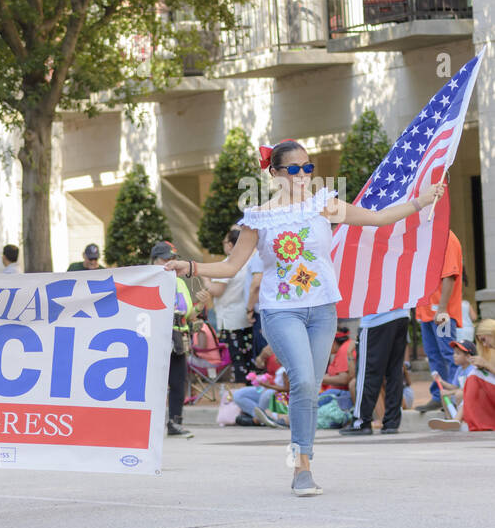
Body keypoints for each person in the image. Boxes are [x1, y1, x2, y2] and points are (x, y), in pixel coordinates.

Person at [163, 138, 445, 496]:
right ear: (275, 172)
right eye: (293, 169)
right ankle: (302, 466)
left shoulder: (323, 205)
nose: (302, 175)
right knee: (304, 382)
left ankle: (304, 456)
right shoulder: (258, 217)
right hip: (281, 311)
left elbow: (376, 218)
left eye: (307, 167)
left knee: (311, 387)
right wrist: (188, 266)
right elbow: (232, 266)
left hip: (323, 309)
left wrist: (421, 200)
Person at [198, 228, 258, 383]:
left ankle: (240, 397)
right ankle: (248, 391)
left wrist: (205, 280)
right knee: (248, 360)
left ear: (231, 245)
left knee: (237, 360)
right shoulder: (249, 261)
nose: (223, 245)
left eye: (225, 241)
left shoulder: (228, 263)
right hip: (245, 316)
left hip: (230, 319)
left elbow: (217, 290)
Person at [340, 304, 410, 435]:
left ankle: (361, 421)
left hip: (376, 317)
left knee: (367, 372)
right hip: (402, 314)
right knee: (394, 371)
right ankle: (391, 422)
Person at [415, 230, 463, 412]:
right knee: (434, 356)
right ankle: (438, 396)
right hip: (426, 311)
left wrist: (442, 308)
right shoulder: (429, 237)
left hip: (441, 313)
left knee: (449, 355)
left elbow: (450, 275)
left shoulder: (447, 237)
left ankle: (453, 397)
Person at [150, 241, 194, 437]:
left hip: (177, 338)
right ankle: (149, 423)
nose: (170, 263)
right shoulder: (147, 280)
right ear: (154, 261)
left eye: (173, 259)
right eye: (165, 259)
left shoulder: (180, 282)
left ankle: (175, 422)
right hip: (154, 337)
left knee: (177, 381)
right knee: (152, 383)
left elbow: (188, 311)